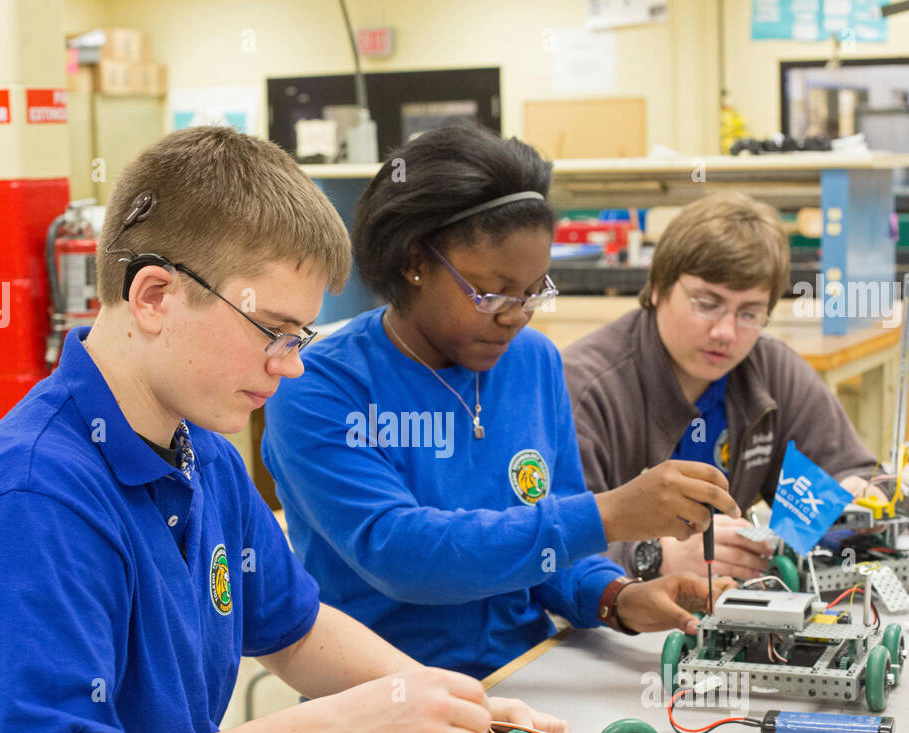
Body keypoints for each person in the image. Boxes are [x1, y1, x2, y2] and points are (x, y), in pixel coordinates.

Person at [0, 126, 567, 733]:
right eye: (275, 332)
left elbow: (293, 630)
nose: (290, 368)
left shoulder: (208, 459)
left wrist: (443, 703)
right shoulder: (32, 500)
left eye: (302, 336)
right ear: (156, 297)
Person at [262, 122, 738, 681]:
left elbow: (548, 545)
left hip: (528, 673)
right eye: (492, 293)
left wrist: (615, 597)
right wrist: (609, 513)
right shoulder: (319, 385)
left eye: (535, 291)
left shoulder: (533, 361)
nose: (515, 315)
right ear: (415, 262)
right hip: (385, 699)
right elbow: (405, 556)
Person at [563, 191, 879, 584]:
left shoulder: (771, 370)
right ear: (659, 286)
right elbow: (551, 541)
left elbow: (858, 472)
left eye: (749, 313)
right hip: (602, 627)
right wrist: (653, 556)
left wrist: (857, 498)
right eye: (707, 303)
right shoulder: (585, 389)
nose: (725, 332)